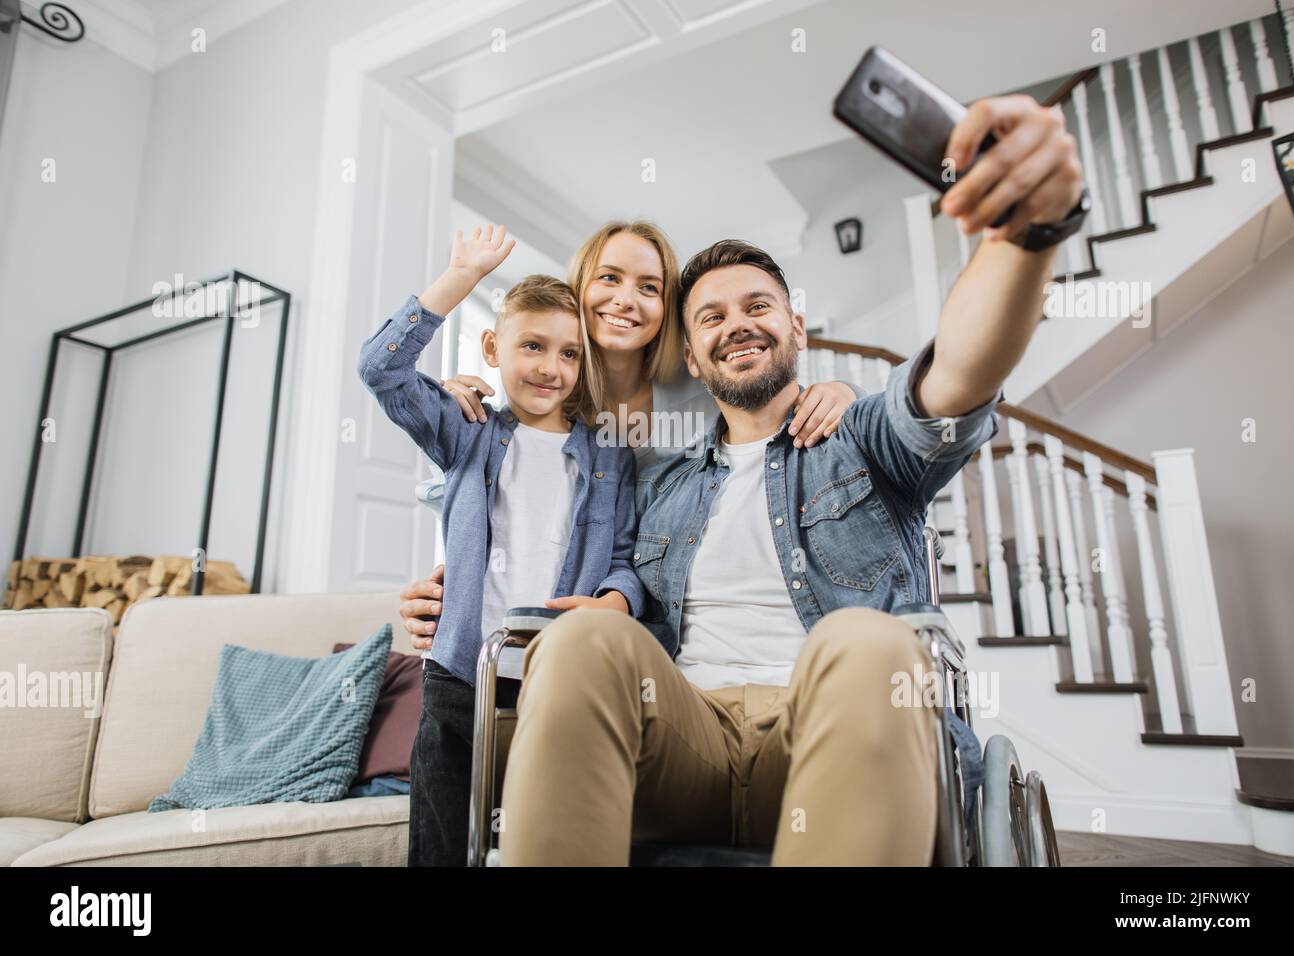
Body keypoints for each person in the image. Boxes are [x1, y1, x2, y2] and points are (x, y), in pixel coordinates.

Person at [487, 93, 1088, 865]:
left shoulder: (863, 438)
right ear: (694, 360)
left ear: (796, 329)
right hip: (682, 737)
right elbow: (555, 524)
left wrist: (1026, 234)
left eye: (758, 306)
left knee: (872, 643)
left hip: (827, 727)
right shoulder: (661, 485)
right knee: (582, 642)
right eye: (710, 318)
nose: (736, 322)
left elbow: (959, 375)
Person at [400, 220, 867, 649]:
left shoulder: (701, 380)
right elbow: (497, 497)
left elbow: (774, 401)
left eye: (649, 287)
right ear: (578, 290)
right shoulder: (546, 397)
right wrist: (449, 588)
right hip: (584, 609)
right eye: (609, 278)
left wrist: (844, 390)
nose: (626, 299)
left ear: (669, 310)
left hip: (678, 595)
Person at [357, 225, 644, 867]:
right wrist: (460, 277)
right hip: (460, 676)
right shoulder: (468, 430)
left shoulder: (608, 457)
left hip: (557, 679)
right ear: (493, 346)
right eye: (532, 346)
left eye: (570, 354)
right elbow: (380, 369)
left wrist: (616, 602)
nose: (550, 368)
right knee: (442, 845)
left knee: (539, 843)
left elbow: (625, 561)